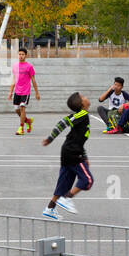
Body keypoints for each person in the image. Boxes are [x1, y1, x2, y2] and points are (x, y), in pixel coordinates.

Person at [40, 92, 94, 220]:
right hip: (73, 153)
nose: (86, 97)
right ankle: (66, 198)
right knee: (88, 180)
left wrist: (85, 157)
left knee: (64, 183)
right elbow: (63, 122)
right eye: (83, 97)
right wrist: (50, 138)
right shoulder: (83, 114)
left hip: (69, 151)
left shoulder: (83, 116)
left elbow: (80, 139)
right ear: (81, 104)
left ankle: (49, 208)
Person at [8, 47, 39, 135]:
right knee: (16, 110)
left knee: (22, 107)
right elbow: (14, 79)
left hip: (25, 92)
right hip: (17, 91)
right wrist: (10, 92)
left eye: (23, 54)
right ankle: (27, 121)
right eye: (20, 54)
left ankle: (21, 128)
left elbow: (33, 80)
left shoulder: (29, 66)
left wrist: (37, 93)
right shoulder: (15, 66)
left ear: (26, 56)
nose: (21, 56)